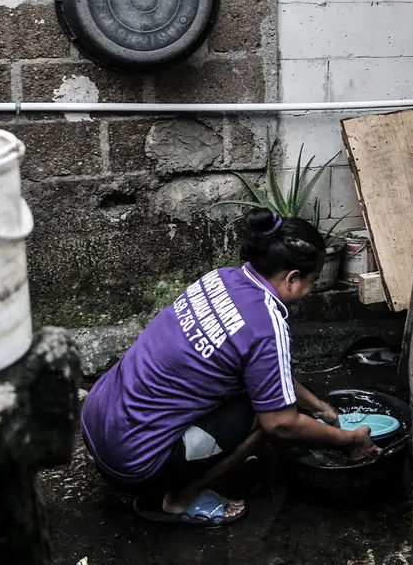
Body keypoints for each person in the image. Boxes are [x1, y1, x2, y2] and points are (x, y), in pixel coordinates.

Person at [80, 208, 382, 526]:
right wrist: (351, 441)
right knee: (265, 416)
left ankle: (195, 459)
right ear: (292, 279)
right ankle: (183, 498)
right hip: (133, 464)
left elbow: (267, 372)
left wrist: (320, 407)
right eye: (312, 281)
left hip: (97, 425)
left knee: (259, 394)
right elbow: (280, 424)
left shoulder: (222, 278)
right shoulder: (267, 322)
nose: (311, 289)